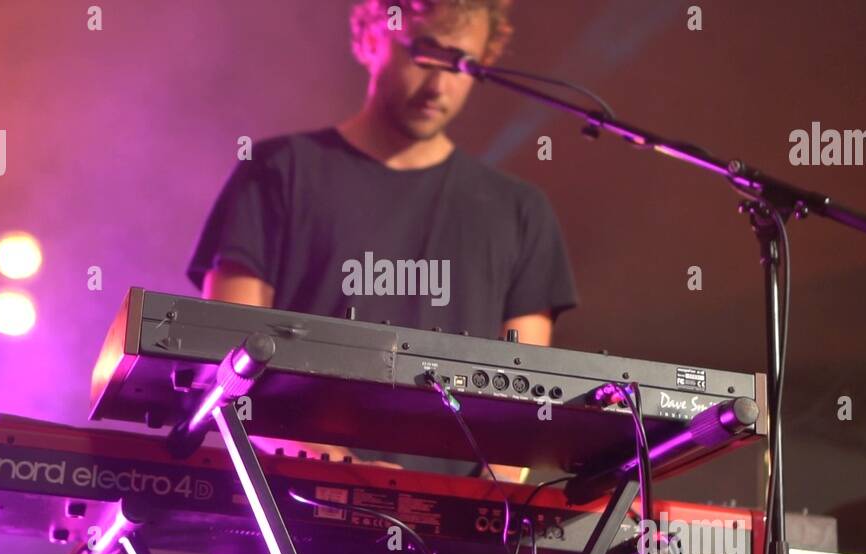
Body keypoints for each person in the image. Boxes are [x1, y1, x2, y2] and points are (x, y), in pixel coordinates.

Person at [187, 0, 578, 480]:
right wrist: (348, 477)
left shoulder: (522, 212)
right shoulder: (276, 171)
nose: (439, 85)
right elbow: (229, 374)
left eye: (461, 64)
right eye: (423, 54)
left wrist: (457, 516)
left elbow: (522, 409)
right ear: (370, 37)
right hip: (286, 514)